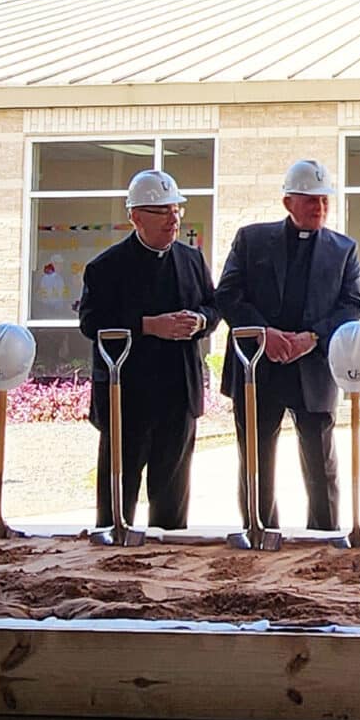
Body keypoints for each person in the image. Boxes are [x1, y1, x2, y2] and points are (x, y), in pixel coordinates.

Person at [214, 158, 360, 531]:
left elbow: (352, 305)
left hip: (313, 369)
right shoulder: (251, 240)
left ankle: (324, 536)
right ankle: (260, 532)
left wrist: (312, 337)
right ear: (288, 202)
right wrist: (263, 333)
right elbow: (228, 294)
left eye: (324, 200)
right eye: (311, 200)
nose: (319, 207)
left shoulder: (344, 249)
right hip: (257, 368)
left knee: (321, 463)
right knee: (256, 460)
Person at [77, 169, 219, 531]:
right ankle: (112, 549)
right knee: (117, 501)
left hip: (178, 393)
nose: (173, 219)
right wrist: (148, 325)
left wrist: (200, 321)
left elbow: (214, 307)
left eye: (176, 210)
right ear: (136, 217)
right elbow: (92, 323)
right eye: (162, 211)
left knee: (172, 502)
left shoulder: (192, 259)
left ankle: (168, 558)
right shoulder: (106, 267)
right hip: (126, 395)